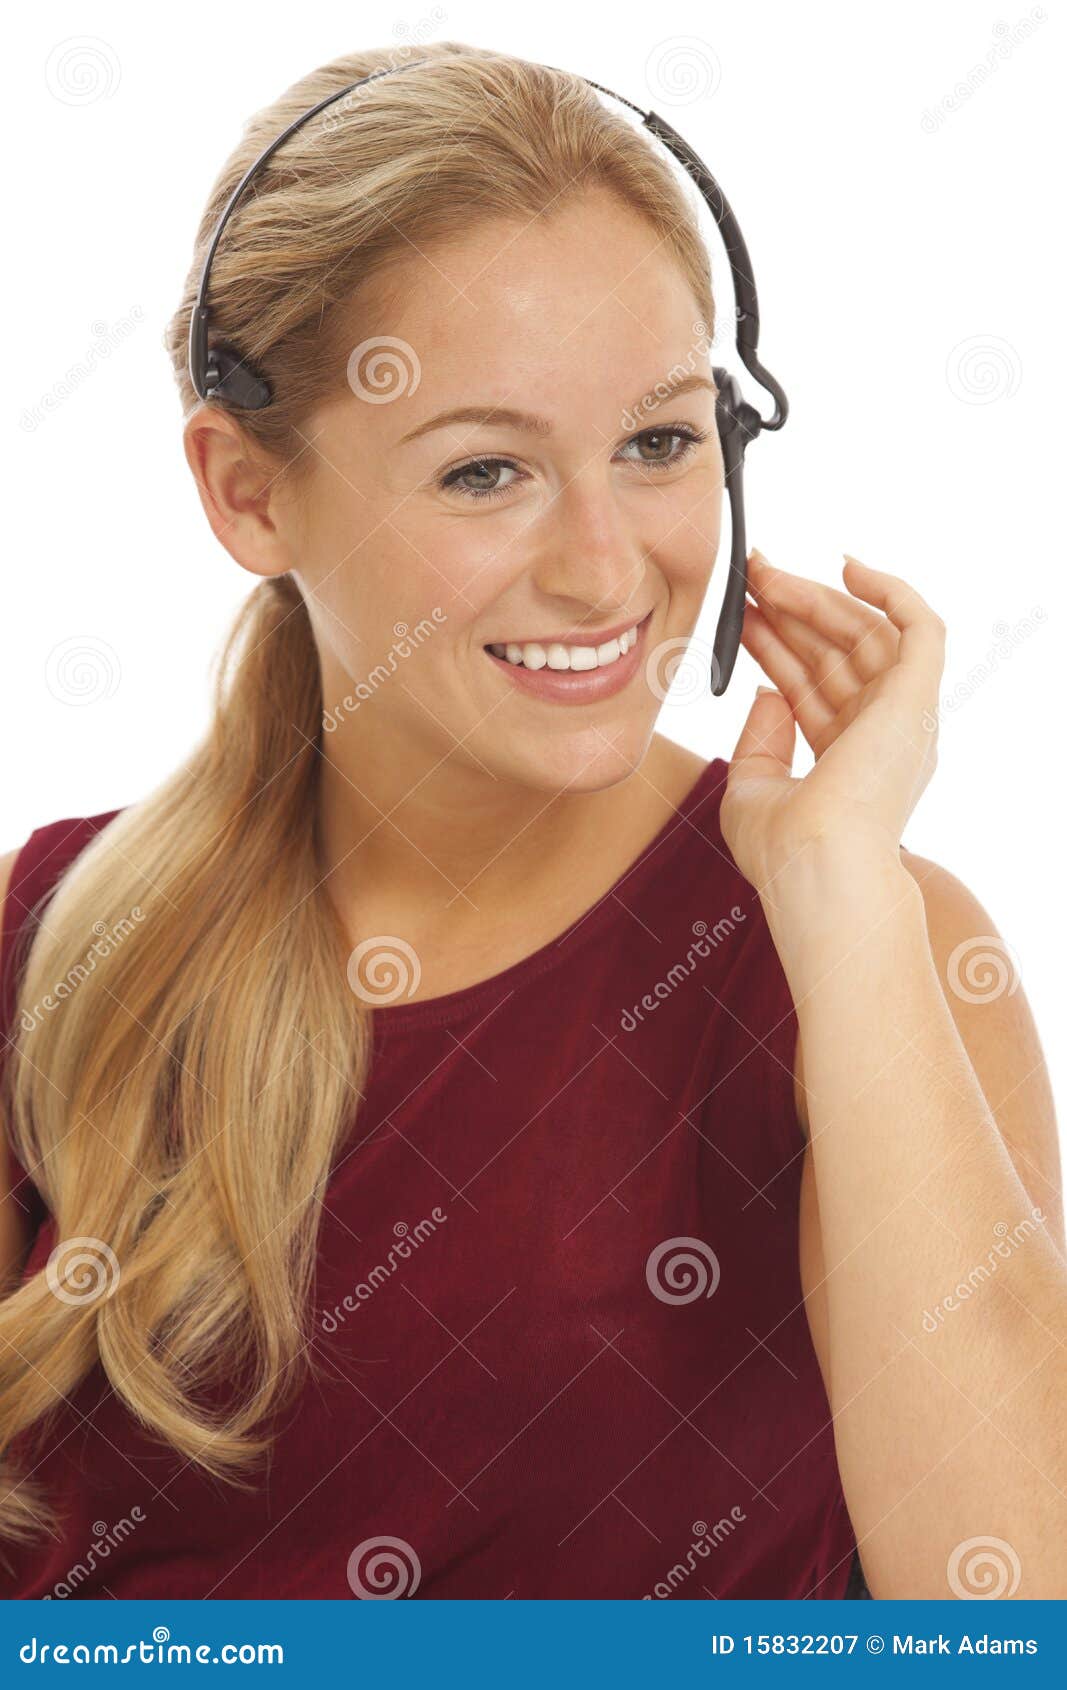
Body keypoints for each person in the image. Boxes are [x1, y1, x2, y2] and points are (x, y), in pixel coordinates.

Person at [1, 41, 1063, 1602]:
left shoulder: (867, 948)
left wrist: (841, 891)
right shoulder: (53, 936)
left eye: (660, 443)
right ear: (249, 493)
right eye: (487, 470)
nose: (604, 567)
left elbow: (1012, 1609)